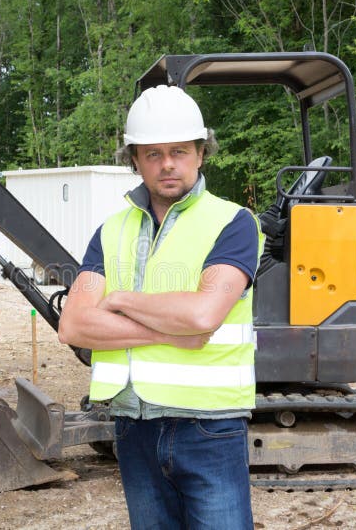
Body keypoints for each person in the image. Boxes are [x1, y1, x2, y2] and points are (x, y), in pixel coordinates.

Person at [58, 85, 262, 529]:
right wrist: (174, 333)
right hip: (134, 425)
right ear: (135, 159)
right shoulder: (110, 231)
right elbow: (73, 324)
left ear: (200, 154)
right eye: (153, 154)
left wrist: (121, 300)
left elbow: (203, 316)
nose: (167, 163)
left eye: (179, 151)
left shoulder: (233, 222)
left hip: (209, 426)